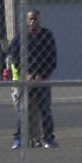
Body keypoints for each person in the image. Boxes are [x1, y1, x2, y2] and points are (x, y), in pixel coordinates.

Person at [7, 10, 58, 149]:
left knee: (45, 109)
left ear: (39, 19)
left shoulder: (47, 35)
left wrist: (42, 74)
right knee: (23, 110)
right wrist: (25, 73)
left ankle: (48, 138)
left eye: (35, 19)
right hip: (26, 79)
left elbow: (52, 58)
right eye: (30, 19)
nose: (33, 21)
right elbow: (14, 56)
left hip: (43, 79)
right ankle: (18, 139)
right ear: (26, 21)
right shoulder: (20, 37)